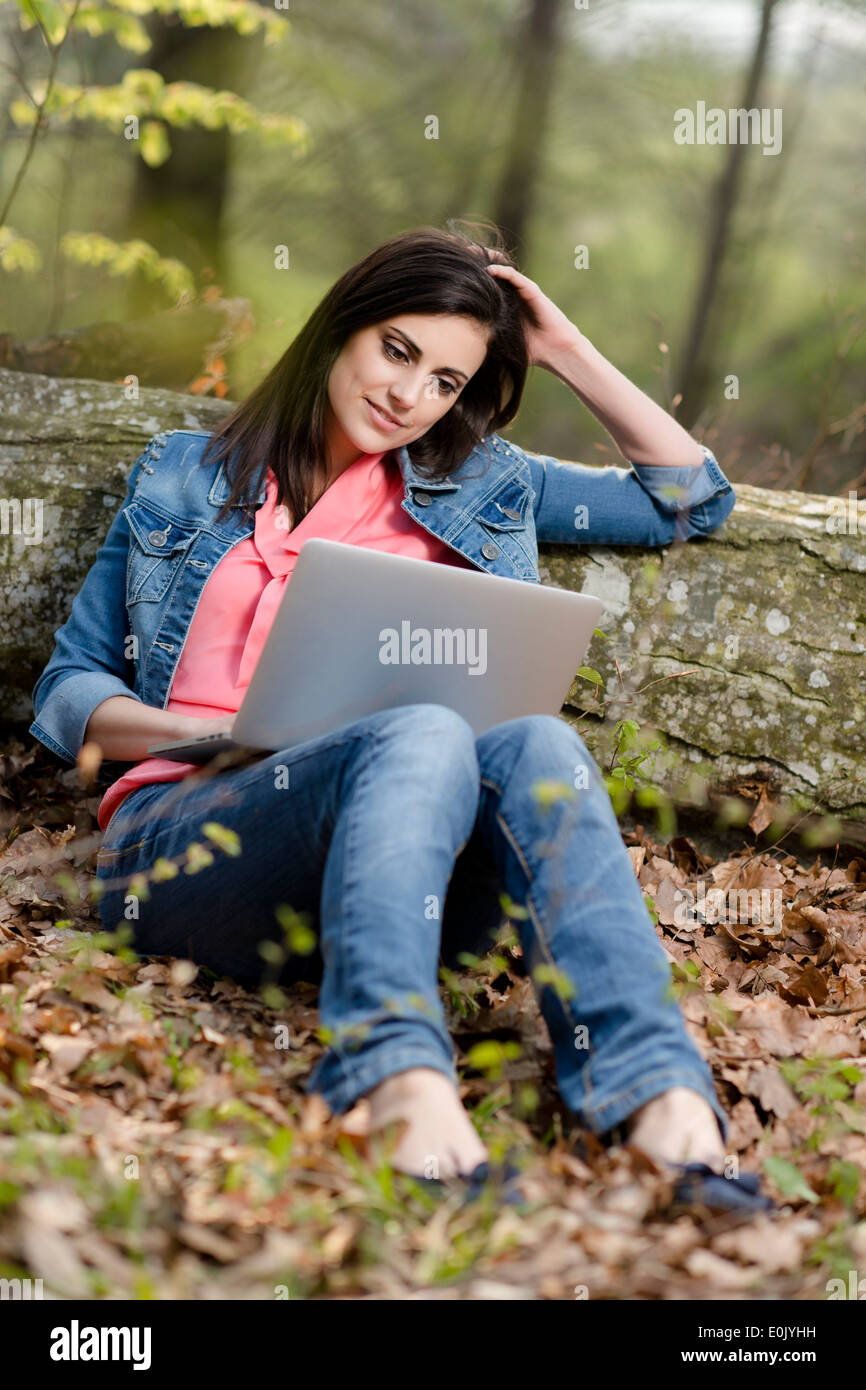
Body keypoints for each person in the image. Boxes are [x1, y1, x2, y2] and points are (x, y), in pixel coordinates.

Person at [29, 224, 771, 1211]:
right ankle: (395, 1088)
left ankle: (665, 1109)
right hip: (183, 854)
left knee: (532, 742)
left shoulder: (485, 485)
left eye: (447, 382)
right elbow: (67, 691)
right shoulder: (183, 474)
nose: (410, 395)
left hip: (404, 877)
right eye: (397, 350)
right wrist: (207, 737)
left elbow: (690, 498)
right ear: (342, 325)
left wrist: (562, 351)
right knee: (420, 726)